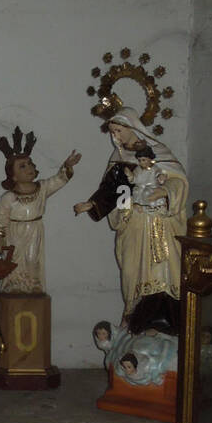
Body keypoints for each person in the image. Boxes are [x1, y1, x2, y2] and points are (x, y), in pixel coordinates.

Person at [74, 108, 188, 335]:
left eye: (119, 130)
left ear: (132, 127)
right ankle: (136, 322)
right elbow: (114, 191)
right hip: (134, 224)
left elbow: (180, 182)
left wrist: (165, 191)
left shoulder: (160, 153)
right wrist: (94, 205)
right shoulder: (119, 159)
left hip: (160, 223)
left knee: (165, 270)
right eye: (113, 131)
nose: (116, 135)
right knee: (132, 271)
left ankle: (167, 327)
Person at [0, 132, 81, 294]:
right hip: (14, 233)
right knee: (12, 262)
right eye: (22, 166)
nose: (29, 168)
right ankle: (13, 288)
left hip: (34, 231)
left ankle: (32, 287)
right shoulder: (8, 197)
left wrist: (67, 166)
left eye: (30, 163)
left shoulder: (42, 188)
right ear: (13, 176)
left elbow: (59, 180)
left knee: (32, 260)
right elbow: (1, 218)